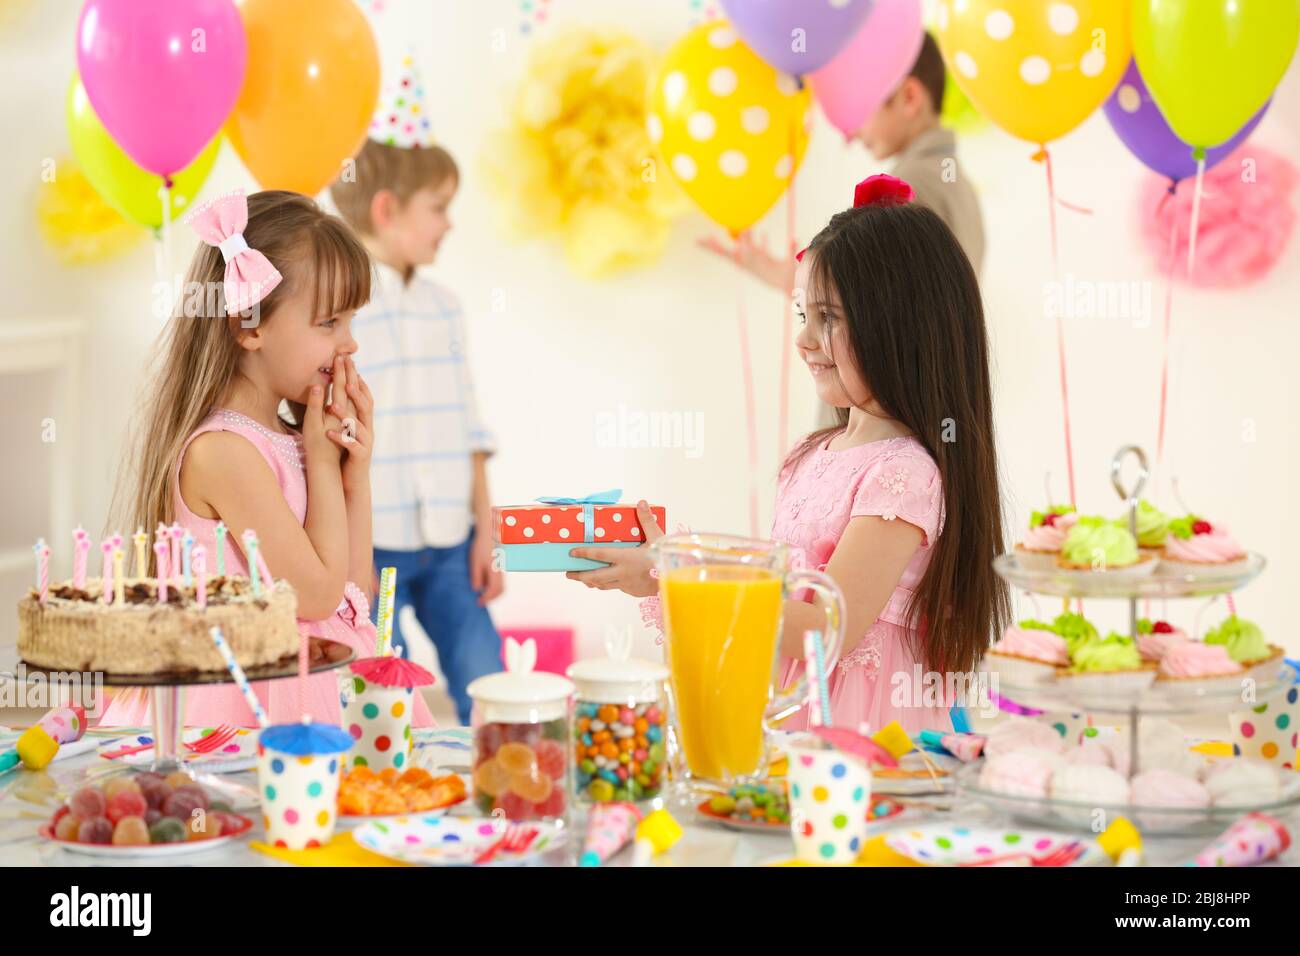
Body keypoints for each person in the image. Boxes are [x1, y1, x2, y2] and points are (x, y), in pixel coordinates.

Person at [563, 175, 1008, 734]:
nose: (803, 339)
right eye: (804, 316)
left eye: (829, 318)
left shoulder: (903, 475)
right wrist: (676, 557)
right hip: (796, 709)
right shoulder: (817, 452)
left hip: (861, 732)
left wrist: (669, 580)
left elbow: (826, 628)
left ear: (899, 327)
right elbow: (779, 582)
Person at [103, 189, 433, 728]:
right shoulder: (223, 453)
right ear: (248, 326)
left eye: (351, 322)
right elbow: (314, 596)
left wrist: (356, 477)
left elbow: (353, 593)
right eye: (329, 323)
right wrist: (323, 465)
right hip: (257, 702)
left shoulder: (291, 435)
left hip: (329, 677)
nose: (349, 344)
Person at [330, 64, 502, 725]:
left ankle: (500, 777)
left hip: (451, 542)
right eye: (440, 208)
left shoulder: (446, 308)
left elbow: (470, 432)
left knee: (486, 681)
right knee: (380, 696)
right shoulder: (342, 312)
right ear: (386, 209)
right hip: (375, 545)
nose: (449, 225)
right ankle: (388, 799)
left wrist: (488, 533)